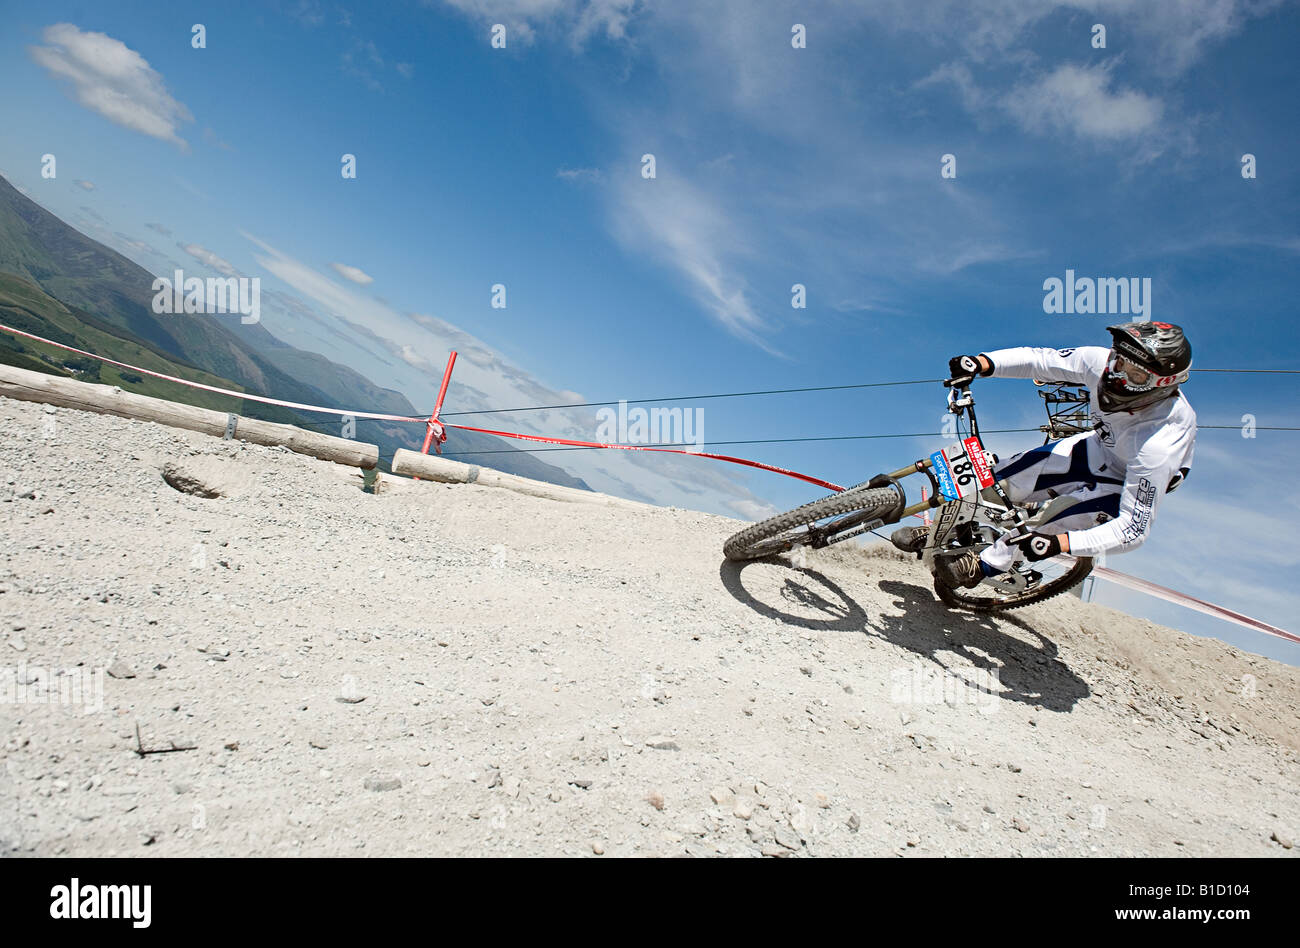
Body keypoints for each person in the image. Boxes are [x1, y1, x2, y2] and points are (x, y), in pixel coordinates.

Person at [893, 321, 1197, 589]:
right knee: (992, 484)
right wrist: (982, 363)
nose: (1117, 375)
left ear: (1163, 385)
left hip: (1123, 483)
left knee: (1050, 525)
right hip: (1095, 449)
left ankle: (986, 563)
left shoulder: (1161, 440)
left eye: (1135, 375)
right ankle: (944, 531)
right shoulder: (1098, 362)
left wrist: (1060, 544)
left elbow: (1133, 529)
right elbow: (1041, 361)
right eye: (1119, 361)